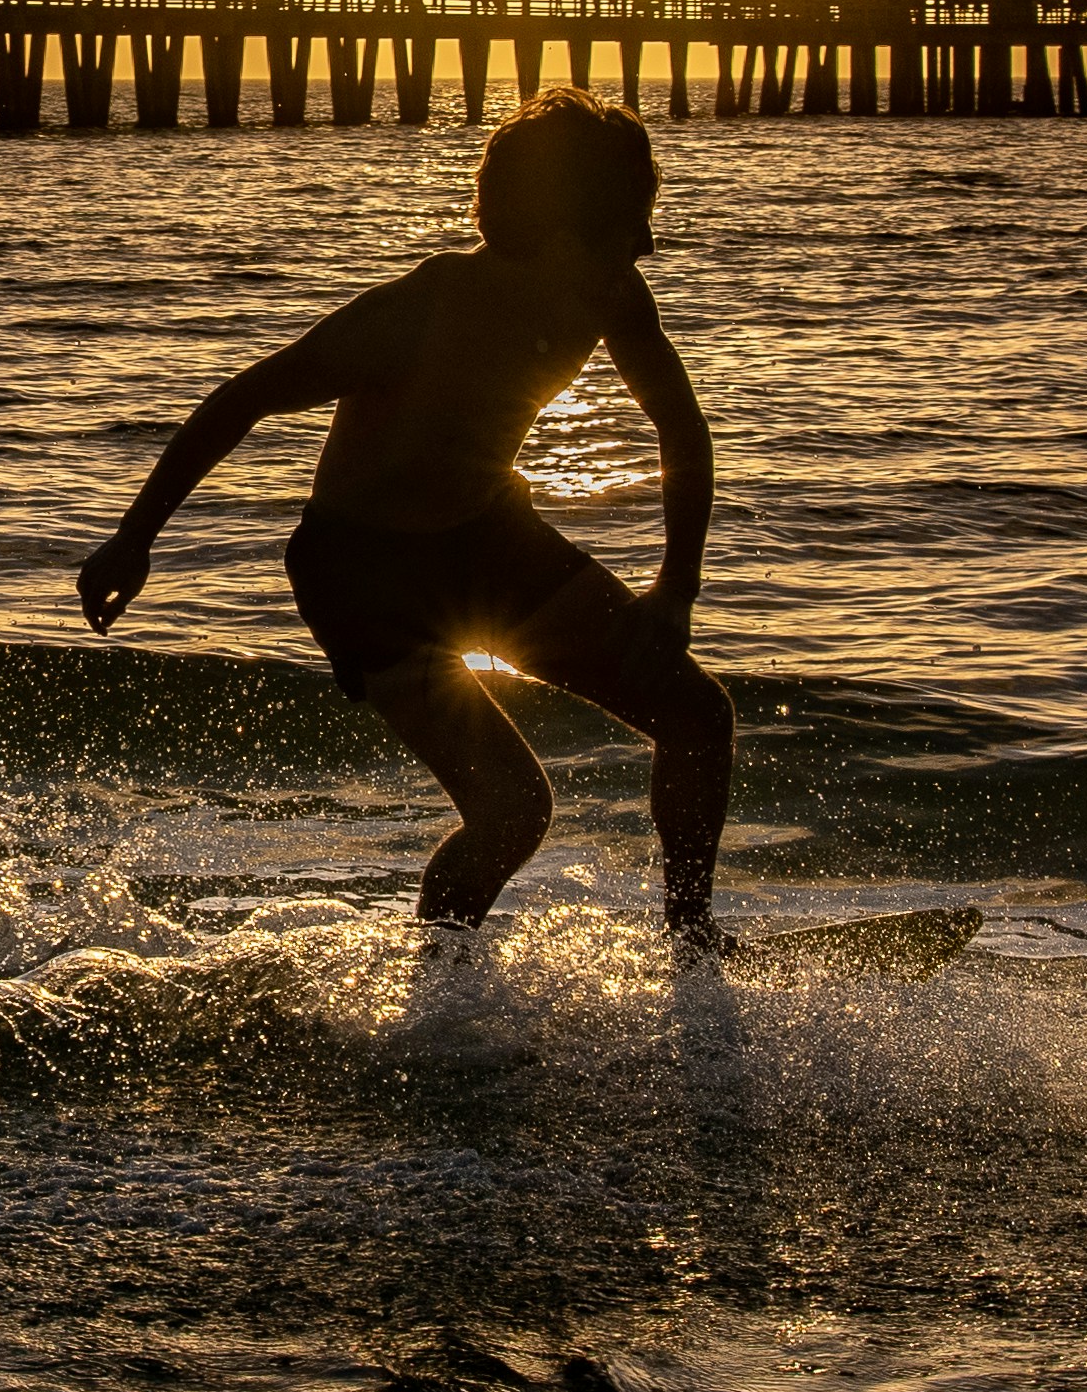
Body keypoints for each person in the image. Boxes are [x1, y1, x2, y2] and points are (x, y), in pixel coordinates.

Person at [77, 90, 733, 946]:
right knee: (511, 812)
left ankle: (691, 941)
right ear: (567, 233)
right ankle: (439, 985)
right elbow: (243, 400)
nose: (647, 244)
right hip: (363, 573)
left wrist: (674, 584)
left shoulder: (609, 291)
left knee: (696, 716)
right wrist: (134, 539)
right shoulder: (414, 313)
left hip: (487, 539)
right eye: (631, 223)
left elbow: (679, 429)